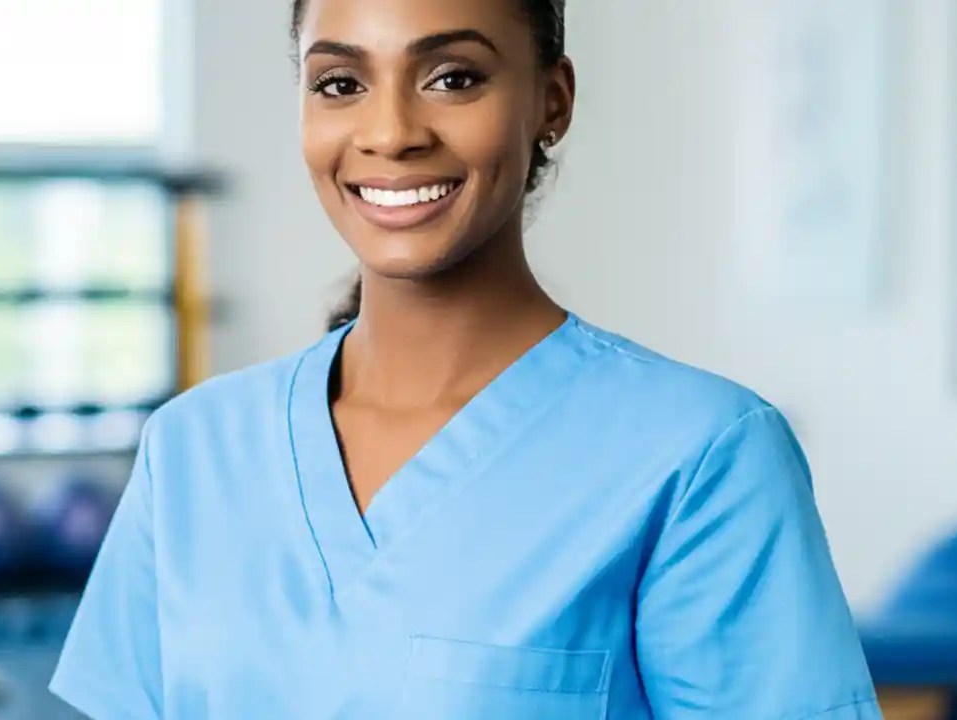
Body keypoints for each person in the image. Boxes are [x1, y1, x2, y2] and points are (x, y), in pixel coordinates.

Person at [50, 0, 882, 717]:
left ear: (552, 102)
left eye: (452, 77)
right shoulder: (194, 447)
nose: (390, 133)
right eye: (340, 84)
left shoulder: (702, 455)